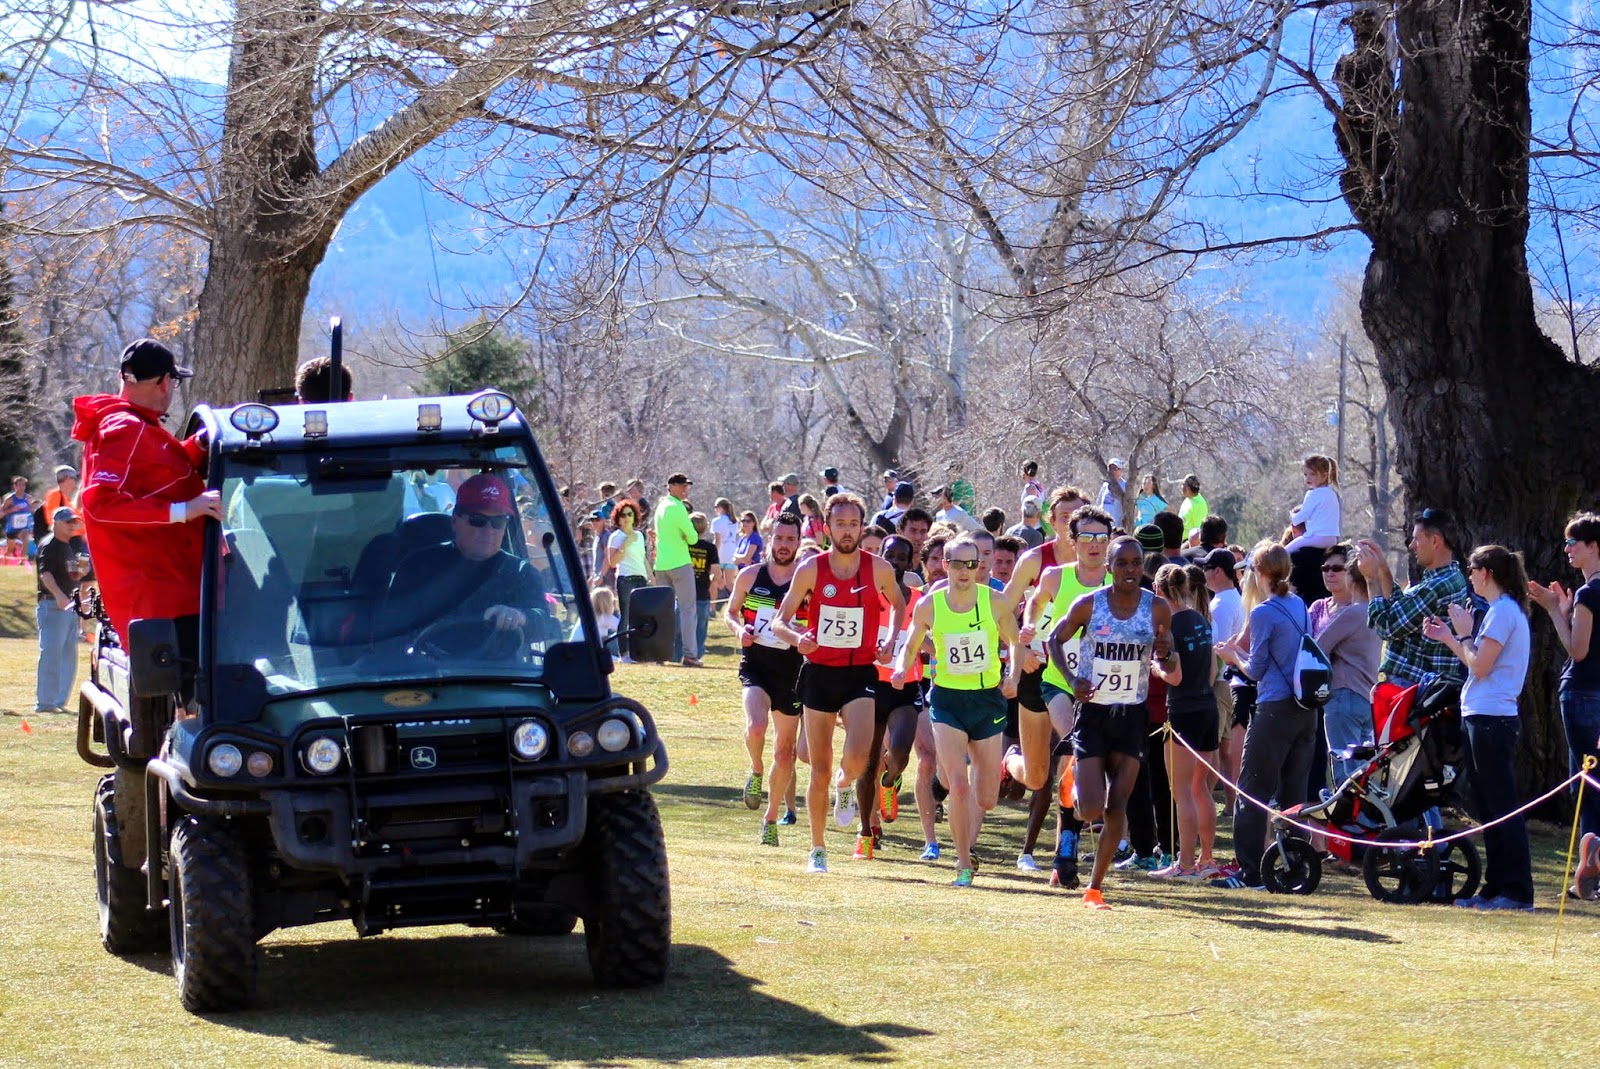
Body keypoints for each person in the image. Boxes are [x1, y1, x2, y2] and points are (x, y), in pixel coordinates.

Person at [770, 493, 906, 873]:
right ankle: (818, 848)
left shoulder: (877, 569)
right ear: (827, 527)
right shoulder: (811, 569)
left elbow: (897, 605)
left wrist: (890, 639)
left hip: (860, 669)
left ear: (862, 528)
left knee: (861, 755)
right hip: (819, 674)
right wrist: (799, 639)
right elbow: (780, 621)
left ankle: (845, 786)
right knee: (820, 766)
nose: (847, 531)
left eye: (853, 524)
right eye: (840, 524)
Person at [1044, 535, 1176, 909]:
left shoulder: (1157, 609)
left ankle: (1094, 888)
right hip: (1094, 715)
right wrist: (1073, 681)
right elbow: (1055, 640)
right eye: (1122, 564)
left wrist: (1165, 656)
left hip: (1132, 715)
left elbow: (1169, 660)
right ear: (1109, 567)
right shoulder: (1089, 605)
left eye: (1136, 563)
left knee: (1118, 803)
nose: (1130, 570)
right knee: (1090, 809)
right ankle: (1072, 784)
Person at [71, 339, 219, 661]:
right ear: (165, 381)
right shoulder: (125, 428)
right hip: (163, 598)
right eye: (174, 382)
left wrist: (200, 445)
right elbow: (99, 503)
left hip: (170, 592)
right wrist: (183, 510)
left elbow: (160, 471)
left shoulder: (133, 425)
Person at [892, 534, 1021, 886]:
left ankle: (1007, 760)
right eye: (957, 563)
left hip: (986, 701)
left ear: (980, 566)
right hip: (947, 699)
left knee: (988, 798)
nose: (965, 571)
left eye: (972, 564)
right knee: (959, 788)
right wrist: (903, 669)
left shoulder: (994, 601)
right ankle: (963, 863)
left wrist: (1013, 675)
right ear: (944, 565)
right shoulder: (929, 605)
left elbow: (1014, 641)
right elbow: (913, 642)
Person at [1007, 505, 1113, 889]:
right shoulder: (1054, 576)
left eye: (1102, 538)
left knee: (1073, 759)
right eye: (1086, 537)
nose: (1094, 545)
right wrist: (1031, 634)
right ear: (1073, 541)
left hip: (1098, 690)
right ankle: (1010, 760)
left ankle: (1064, 853)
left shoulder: (1119, 582)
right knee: (1037, 775)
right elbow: (1032, 610)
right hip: (1053, 681)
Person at [1424, 545, 1534, 910]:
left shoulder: (1502, 612)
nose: (1468, 575)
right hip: (1482, 715)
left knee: (1501, 806)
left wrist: (1464, 634)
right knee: (1487, 806)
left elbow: (1481, 666)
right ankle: (1495, 886)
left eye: (1472, 569)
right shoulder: (1499, 612)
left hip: (1492, 719)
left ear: (1486, 573)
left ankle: (1516, 891)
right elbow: (1477, 661)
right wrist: (1451, 638)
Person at [1220, 541, 1317, 890]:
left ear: (1259, 573)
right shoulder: (1300, 605)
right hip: (1306, 709)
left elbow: (1256, 670)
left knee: (1252, 791)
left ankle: (1248, 871)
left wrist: (1233, 657)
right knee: (1294, 794)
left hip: (1275, 709)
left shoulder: (1263, 612)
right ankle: (1295, 867)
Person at [378, 473, 547, 652]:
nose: (489, 530)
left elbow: (545, 621)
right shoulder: (418, 567)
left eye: (498, 521)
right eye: (478, 520)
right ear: (455, 521)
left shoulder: (521, 573)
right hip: (425, 673)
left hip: (500, 676)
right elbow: (389, 633)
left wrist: (521, 617)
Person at [1530, 512, 1600, 892]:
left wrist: (1556, 612)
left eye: (1574, 542)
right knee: (1587, 781)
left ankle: (1593, 861)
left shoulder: (1590, 593)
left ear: (1594, 547)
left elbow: (1578, 650)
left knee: (1589, 783)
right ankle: (1586, 877)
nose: (1567, 549)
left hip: (1582, 694)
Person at [727, 514, 804, 832]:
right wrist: (738, 629)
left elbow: (818, 621)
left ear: (799, 542)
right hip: (756, 665)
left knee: (785, 750)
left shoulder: (805, 580)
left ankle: (770, 817)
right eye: (779, 538)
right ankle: (756, 769)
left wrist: (804, 630)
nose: (784, 545)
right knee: (757, 726)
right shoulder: (750, 576)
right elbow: (730, 611)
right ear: (769, 538)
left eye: (791, 539)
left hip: (792, 673)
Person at [1152, 564, 1221, 879]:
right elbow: (1211, 673)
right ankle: (1207, 860)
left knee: (1181, 792)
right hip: (1207, 709)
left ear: (1160, 592)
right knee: (1200, 789)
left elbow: (1175, 676)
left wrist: (1155, 668)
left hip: (1183, 712)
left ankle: (1185, 864)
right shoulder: (1201, 621)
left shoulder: (1170, 626)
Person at [858, 534, 924, 860]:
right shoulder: (867, 597)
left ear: (910, 563)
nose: (896, 563)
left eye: (902, 557)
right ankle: (864, 835)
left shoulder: (919, 601)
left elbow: (933, 638)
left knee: (899, 752)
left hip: (905, 687)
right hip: (869, 687)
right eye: (890, 556)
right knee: (866, 764)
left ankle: (891, 781)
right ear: (881, 559)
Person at [1356, 509, 1470, 690]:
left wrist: (1371, 579)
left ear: (1435, 541)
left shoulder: (1435, 588)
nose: (1411, 546)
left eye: (1417, 539)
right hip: (1422, 688)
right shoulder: (1450, 576)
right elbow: (1400, 606)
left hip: (1412, 689)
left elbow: (1387, 627)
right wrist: (1382, 567)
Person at [1310, 543, 1380, 784]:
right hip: (1366, 697)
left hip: (1343, 697)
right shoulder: (1375, 610)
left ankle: (1349, 822)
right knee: (1363, 771)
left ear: (1352, 578)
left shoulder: (1352, 613)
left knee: (1345, 773)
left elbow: (1317, 648)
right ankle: (1365, 821)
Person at [34, 507, 86, 713]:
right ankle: (45, 703)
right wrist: (59, 596)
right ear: (56, 523)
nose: (72, 525)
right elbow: (45, 574)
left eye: (74, 521)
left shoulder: (68, 545)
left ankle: (58, 702)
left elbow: (69, 575)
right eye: (68, 522)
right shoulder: (50, 544)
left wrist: (81, 571)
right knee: (51, 655)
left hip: (68, 606)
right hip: (53, 605)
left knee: (67, 656)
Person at [653, 472, 702, 667]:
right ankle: (690, 655)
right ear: (671, 486)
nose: (685, 489)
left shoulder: (660, 506)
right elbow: (693, 537)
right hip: (680, 563)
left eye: (686, 486)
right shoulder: (678, 507)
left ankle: (659, 652)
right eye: (682, 485)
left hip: (661, 564)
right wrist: (686, 536)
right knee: (688, 609)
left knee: (663, 611)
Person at [1285, 454, 1342, 603]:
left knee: (1287, 550)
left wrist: (1292, 516)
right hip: (1332, 538)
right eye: (1305, 474)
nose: (1308, 478)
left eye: (1312, 474)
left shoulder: (1312, 494)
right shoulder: (1332, 493)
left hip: (1316, 537)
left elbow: (1302, 515)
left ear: (1324, 475)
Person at [605, 500, 650, 661]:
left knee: (641, 617)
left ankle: (639, 652)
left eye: (629, 514)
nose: (626, 518)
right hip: (626, 579)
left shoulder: (639, 535)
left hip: (641, 578)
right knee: (625, 617)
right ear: (618, 517)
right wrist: (625, 543)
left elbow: (643, 559)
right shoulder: (615, 537)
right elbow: (612, 562)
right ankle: (623, 653)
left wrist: (652, 577)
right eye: (622, 515)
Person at [687, 512, 717, 661]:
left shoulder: (683, 545)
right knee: (700, 629)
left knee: (682, 628)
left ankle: (678, 656)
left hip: (683, 593)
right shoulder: (710, 548)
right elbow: (716, 573)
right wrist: (711, 579)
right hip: (702, 593)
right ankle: (696, 657)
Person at [710, 498, 741, 601]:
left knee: (713, 581)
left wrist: (713, 555)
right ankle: (740, 603)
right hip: (731, 553)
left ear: (720, 508)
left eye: (716, 507)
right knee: (729, 583)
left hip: (721, 553)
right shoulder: (734, 521)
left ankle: (712, 607)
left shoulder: (717, 521)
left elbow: (717, 540)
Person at [3, 475, 34, 561]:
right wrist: (13, 509)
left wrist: (31, 522)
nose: (21, 487)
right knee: (10, 550)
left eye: (23, 485)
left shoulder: (28, 498)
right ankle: (5, 565)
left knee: (25, 539)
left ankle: (22, 561)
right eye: (19, 485)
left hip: (23, 525)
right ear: (15, 486)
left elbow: (31, 511)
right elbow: (3, 512)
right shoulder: (10, 499)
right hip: (12, 527)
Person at [1178, 474, 1208, 546]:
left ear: (1188, 489)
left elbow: (1198, 528)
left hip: (1189, 543)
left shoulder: (1198, 505)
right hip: (1180, 540)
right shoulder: (1189, 498)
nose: (1181, 487)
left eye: (1183, 485)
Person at [1097, 458, 1126, 527]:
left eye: (1115, 468)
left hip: (1117, 522)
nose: (1112, 471)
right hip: (1103, 521)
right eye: (1111, 468)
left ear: (1121, 470)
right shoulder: (1105, 485)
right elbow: (1099, 502)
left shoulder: (1125, 485)